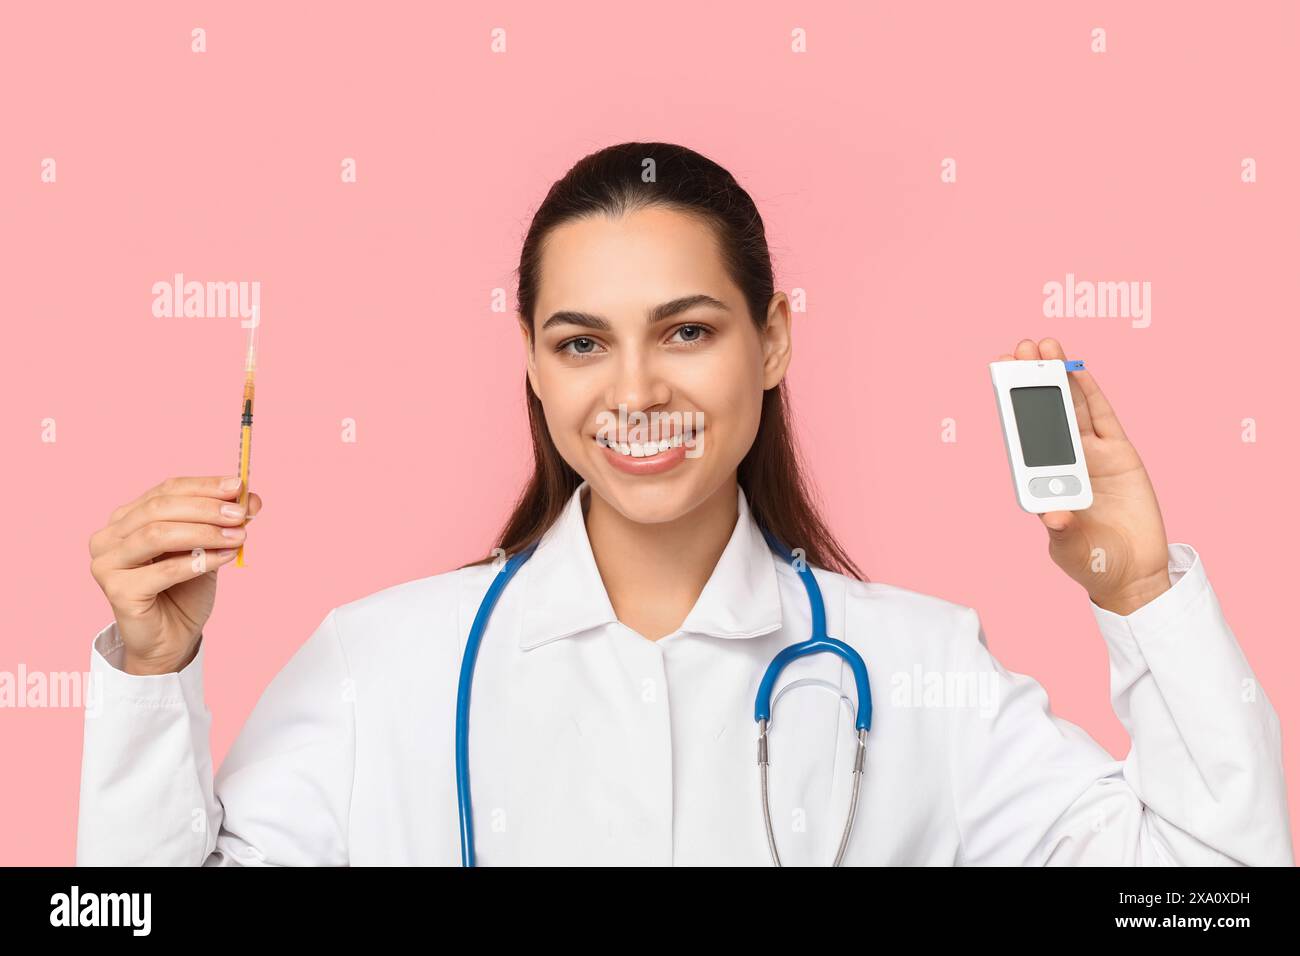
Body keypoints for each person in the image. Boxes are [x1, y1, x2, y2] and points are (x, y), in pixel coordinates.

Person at [78, 142, 1292, 866]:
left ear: (770, 340)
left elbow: (1210, 885)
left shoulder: (921, 667)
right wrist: (150, 673)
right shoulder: (379, 661)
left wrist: (1142, 596)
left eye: (688, 330)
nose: (636, 389)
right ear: (533, 364)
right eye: (580, 341)